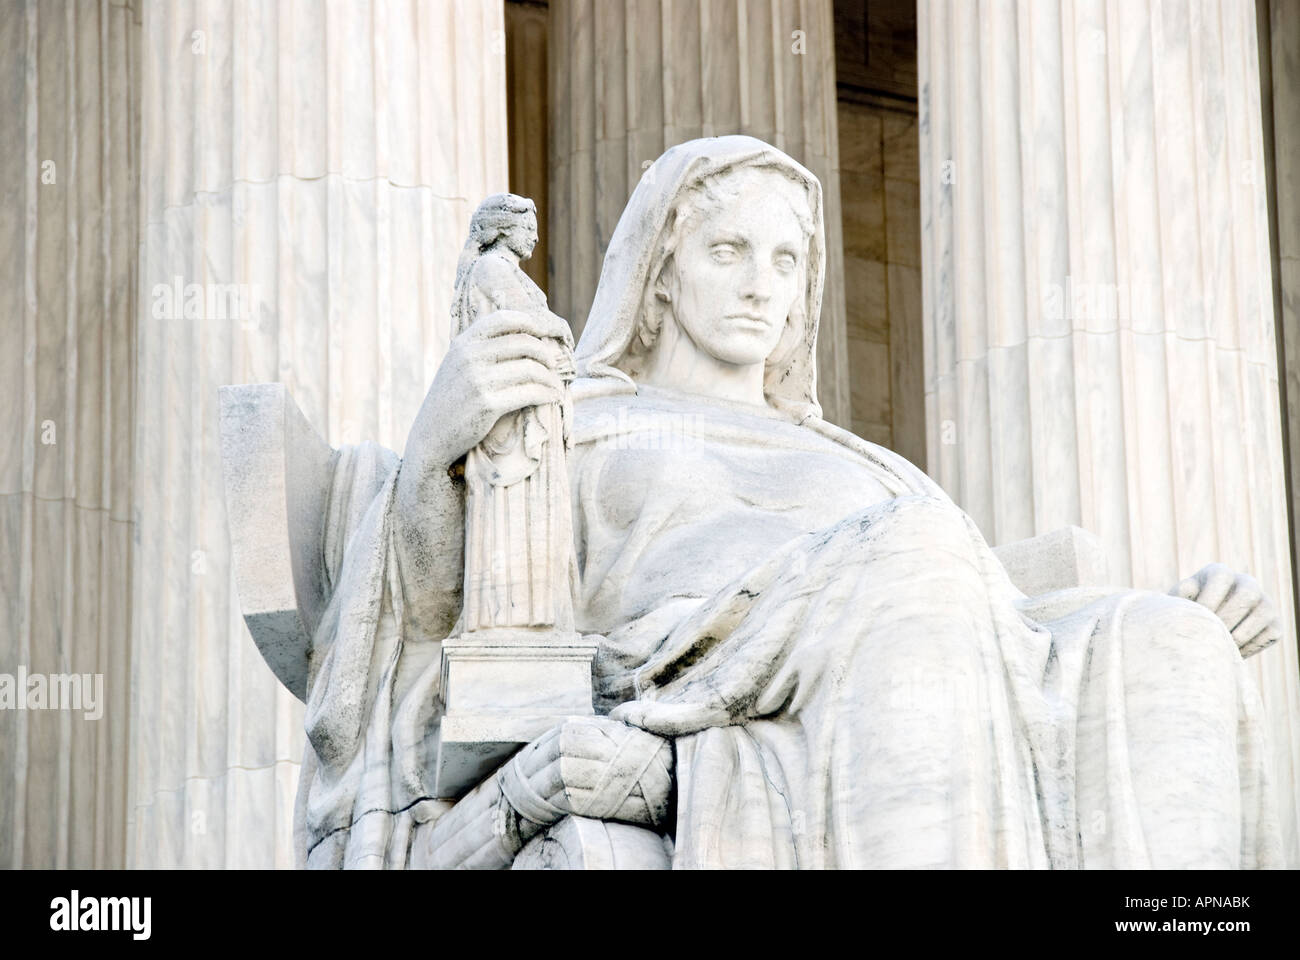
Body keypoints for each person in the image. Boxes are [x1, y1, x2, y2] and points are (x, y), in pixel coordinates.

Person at [301, 136, 1284, 869]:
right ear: (658, 276)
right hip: (685, 663)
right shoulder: (579, 422)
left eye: (785, 261)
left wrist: (1154, 610)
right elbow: (440, 611)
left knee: (1168, 648)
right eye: (728, 251)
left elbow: (1005, 629)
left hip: (903, 639)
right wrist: (439, 443)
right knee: (912, 572)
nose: (760, 287)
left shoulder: (869, 468)